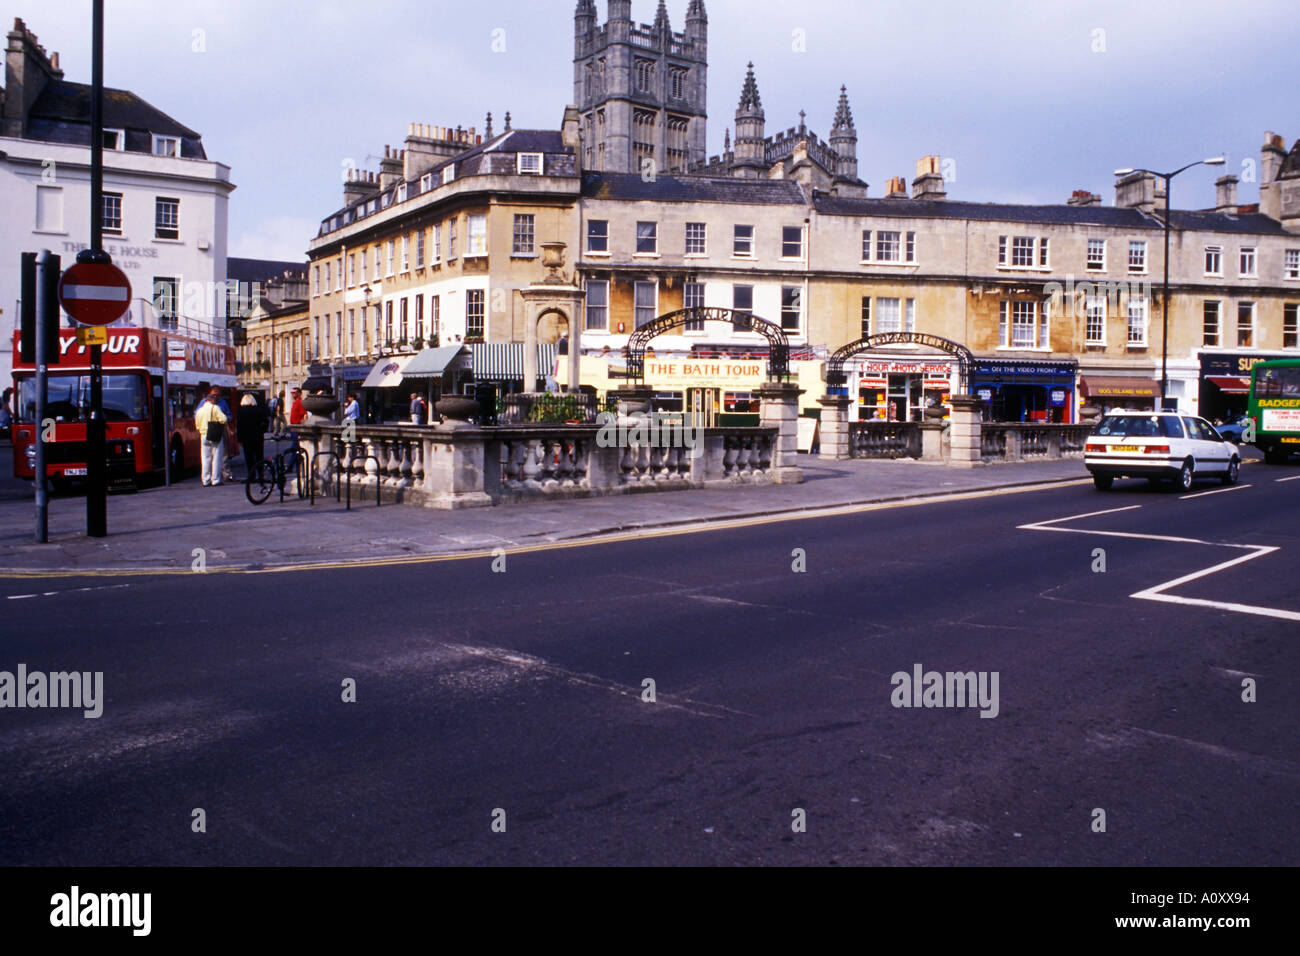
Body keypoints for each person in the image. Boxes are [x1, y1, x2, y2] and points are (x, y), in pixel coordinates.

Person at [194, 387, 231, 486]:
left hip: (203, 435)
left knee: (205, 458)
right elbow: (224, 419)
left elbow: (197, 424)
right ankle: (216, 480)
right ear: (212, 400)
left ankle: (205, 480)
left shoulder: (199, 411)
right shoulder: (215, 408)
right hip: (215, 434)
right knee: (217, 458)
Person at [237, 393, 267, 471]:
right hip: (258, 436)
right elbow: (265, 422)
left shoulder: (241, 411)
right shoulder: (259, 410)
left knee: (249, 457)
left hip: (246, 437)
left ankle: (251, 475)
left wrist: (239, 439)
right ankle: (261, 475)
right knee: (259, 456)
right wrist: (262, 431)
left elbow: (239, 426)